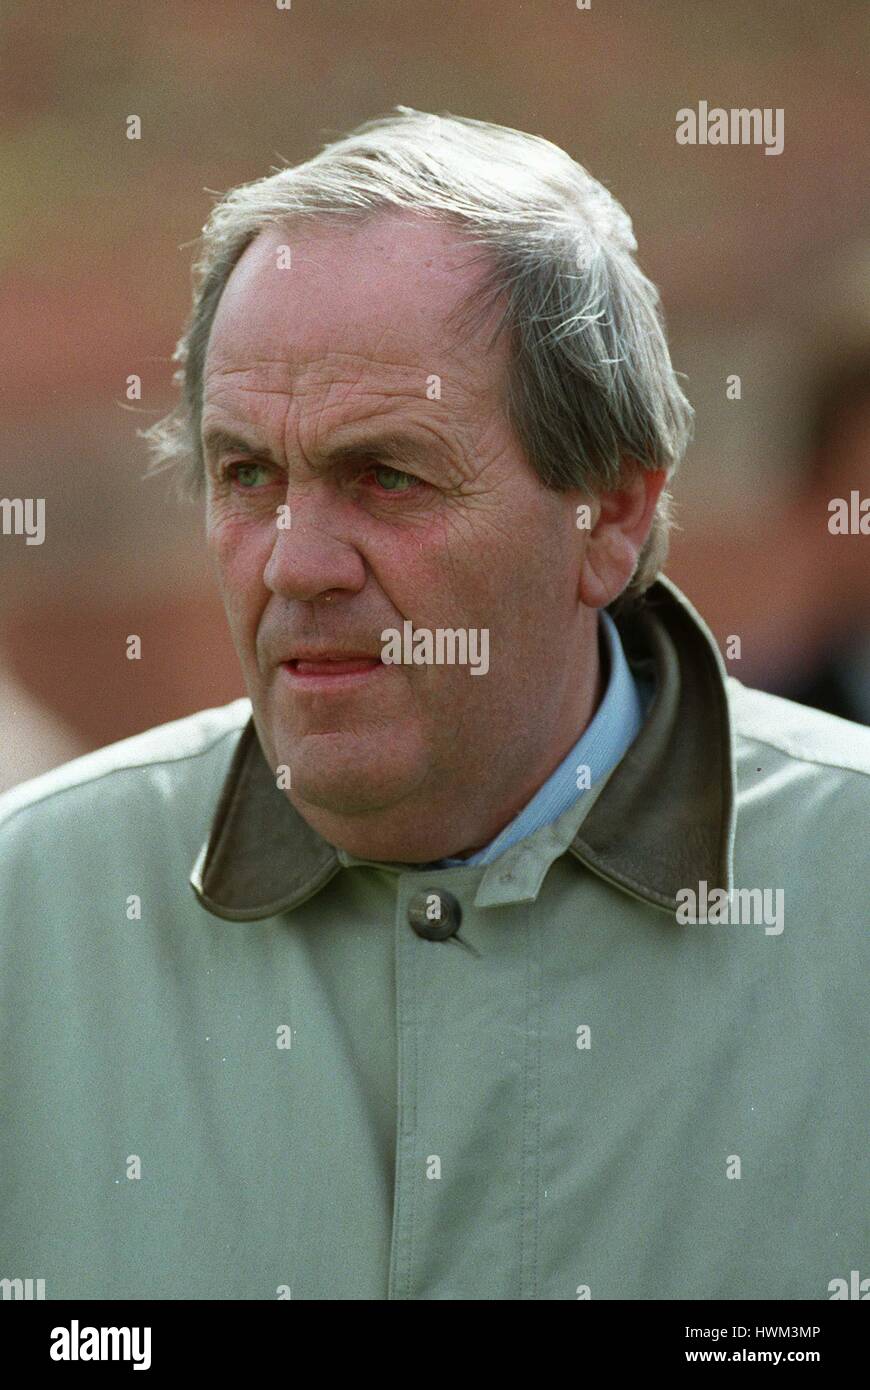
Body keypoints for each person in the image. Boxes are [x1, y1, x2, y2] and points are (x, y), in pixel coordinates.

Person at [1, 109, 867, 1301]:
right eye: (247, 473)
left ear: (609, 515)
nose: (295, 564)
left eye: (387, 476)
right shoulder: (29, 917)